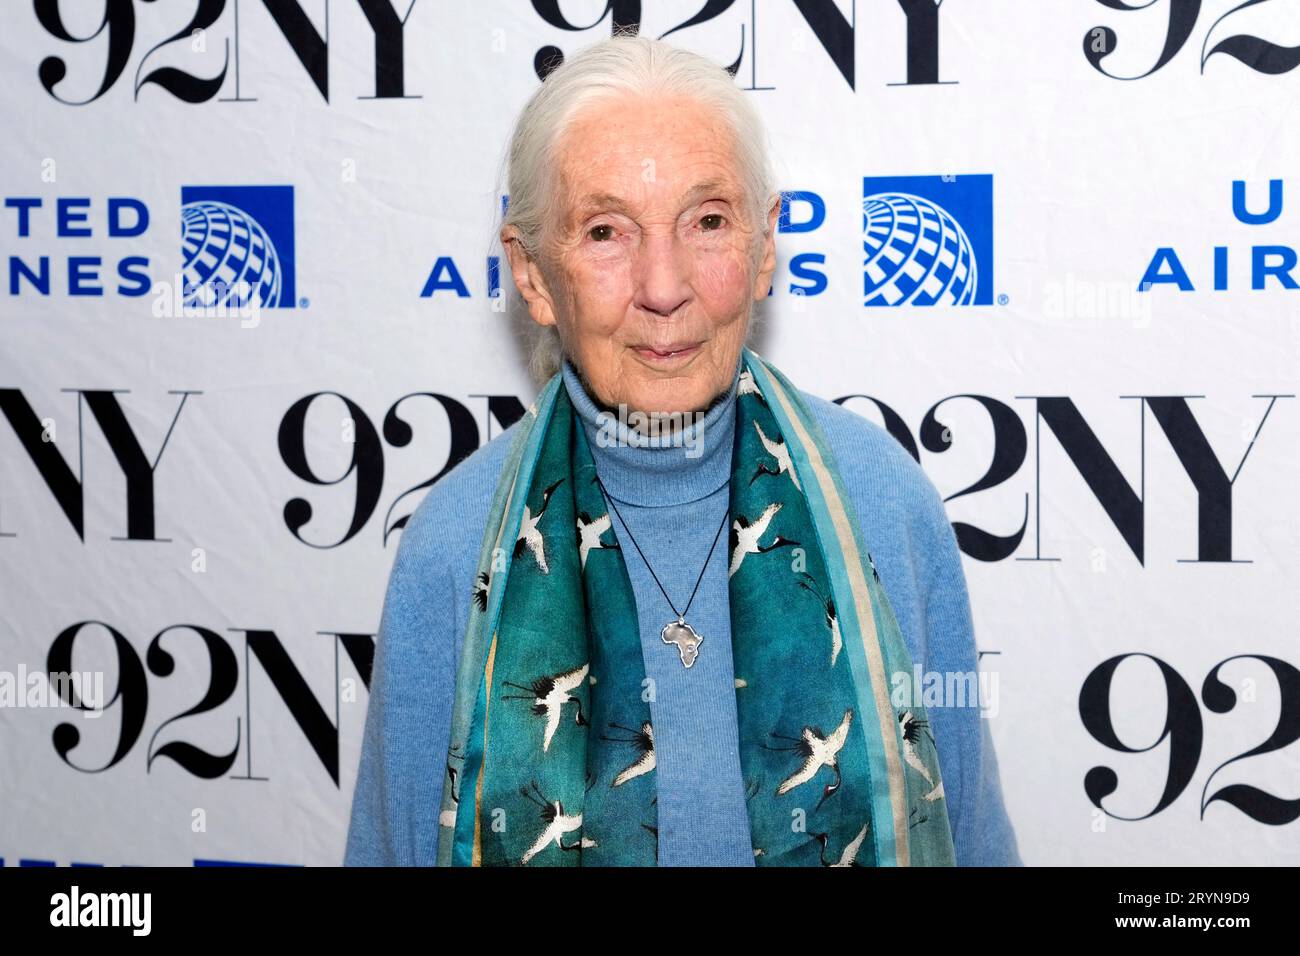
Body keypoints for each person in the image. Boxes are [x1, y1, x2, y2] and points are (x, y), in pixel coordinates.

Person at [345, 33, 1020, 867]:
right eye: (605, 232)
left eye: (707, 221)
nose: (664, 287)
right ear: (530, 273)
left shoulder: (881, 503)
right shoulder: (457, 543)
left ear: (765, 246)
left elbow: (977, 845)